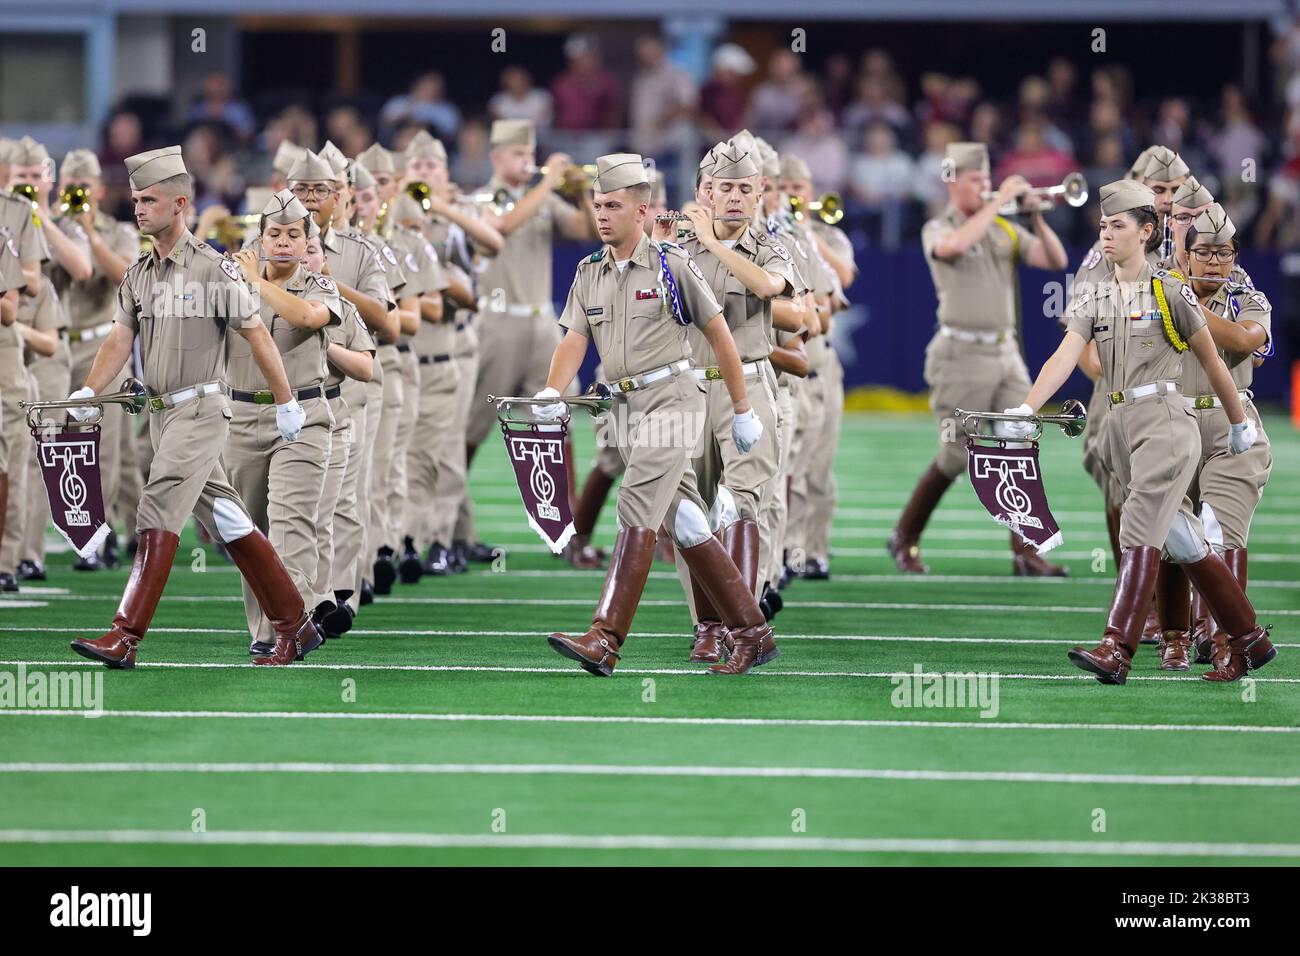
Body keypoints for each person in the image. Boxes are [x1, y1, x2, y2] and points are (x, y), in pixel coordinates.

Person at [1006, 180, 1276, 685]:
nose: (1106, 235)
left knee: (1139, 525)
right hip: (1120, 426)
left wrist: (1239, 423)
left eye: (1117, 226)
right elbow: (1065, 355)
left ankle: (1117, 647)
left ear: (1147, 231)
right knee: (1186, 540)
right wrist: (1027, 406)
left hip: (1166, 422)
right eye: (1103, 226)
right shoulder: (1094, 293)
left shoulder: (1170, 289)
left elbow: (1214, 362)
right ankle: (1249, 637)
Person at [65, 145, 320, 667]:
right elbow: (118, 339)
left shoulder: (213, 269)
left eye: (149, 200)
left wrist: (286, 403)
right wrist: (90, 391)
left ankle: (125, 635)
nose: (138, 209)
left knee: (156, 506)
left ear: (180, 204)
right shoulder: (139, 272)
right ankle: (297, 625)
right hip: (162, 414)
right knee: (230, 521)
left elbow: (258, 337)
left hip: (201, 410)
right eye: (135, 199)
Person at [539, 152, 774, 676]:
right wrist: (552, 391)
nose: (601, 215)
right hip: (622, 408)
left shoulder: (671, 264)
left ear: (642, 211)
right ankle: (753, 632)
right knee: (689, 523)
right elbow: (575, 337)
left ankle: (606, 636)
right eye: (597, 204)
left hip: (671, 399)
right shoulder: (589, 271)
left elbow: (719, 334)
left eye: (614, 205)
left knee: (635, 504)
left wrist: (741, 409)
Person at [887, 142, 1069, 576]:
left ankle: (1026, 551)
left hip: (1005, 352)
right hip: (960, 354)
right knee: (954, 456)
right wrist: (1002, 202)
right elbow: (950, 248)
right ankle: (904, 537)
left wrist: (1036, 216)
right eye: (977, 180)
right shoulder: (939, 226)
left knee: (1020, 442)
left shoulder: (1002, 229)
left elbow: (1055, 259)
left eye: (988, 180)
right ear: (952, 181)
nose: (986, 187)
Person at [660, 137, 801, 664]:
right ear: (704, 192)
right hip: (688, 385)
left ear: (760, 191)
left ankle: (744, 627)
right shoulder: (673, 245)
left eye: (745, 188)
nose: (735, 198)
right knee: (688, 509)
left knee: (745, 502)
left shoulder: (770, 245)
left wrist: (712, 243)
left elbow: (769, 287)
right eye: (724, 189)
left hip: (750, 382)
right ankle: (706, 626)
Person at [459, 119, 596, 563]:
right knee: (471, 430)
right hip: (497, 324)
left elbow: (585, 229)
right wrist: (552, 181)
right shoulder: (484, 197)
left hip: (540, 323)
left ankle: (567, 532)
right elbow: (501, 226)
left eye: (529, 152)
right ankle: (451, 526)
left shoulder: (545, 199)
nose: (526, 161)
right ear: (497, 157)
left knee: (556, 419)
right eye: (518, 154)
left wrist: (584, 193)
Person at [225, 190, 343, 656]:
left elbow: (306, 316)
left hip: (303, 418)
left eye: (295, 235)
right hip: (241, 415)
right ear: (259, 238)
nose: (284, 243)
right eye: (274, 234)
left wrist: (254, 281)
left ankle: (290, 628)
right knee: (247, 531)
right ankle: (262, 630)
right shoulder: (227, 282)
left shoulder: (320, 286)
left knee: (291, 523)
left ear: (307, 240)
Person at [1171, 205, 1273, 673]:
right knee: (1169, 533)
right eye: (1204, 252)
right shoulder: (1158, 291)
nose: (1214, 262)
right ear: (1185, 255)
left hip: (1233, 426)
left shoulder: (1249, 298)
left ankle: (1229, 645)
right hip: (1171, 423)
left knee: (1219, 529)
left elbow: (1243, 340)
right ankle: (1174, 635)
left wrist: (1182, 304)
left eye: (1224, 253)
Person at [44, 148, 140, 571]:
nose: (77, 195)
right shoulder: (48, 229)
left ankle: (100, 537)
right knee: (71, 446)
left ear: (99, 190)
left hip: (106, 347)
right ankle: (114, 532)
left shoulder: (118, 231)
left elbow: (125, 276)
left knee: (103, 448)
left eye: (83, 188)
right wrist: (49, 223)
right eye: (70, 188)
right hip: (62, 346)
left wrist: (90, 235)